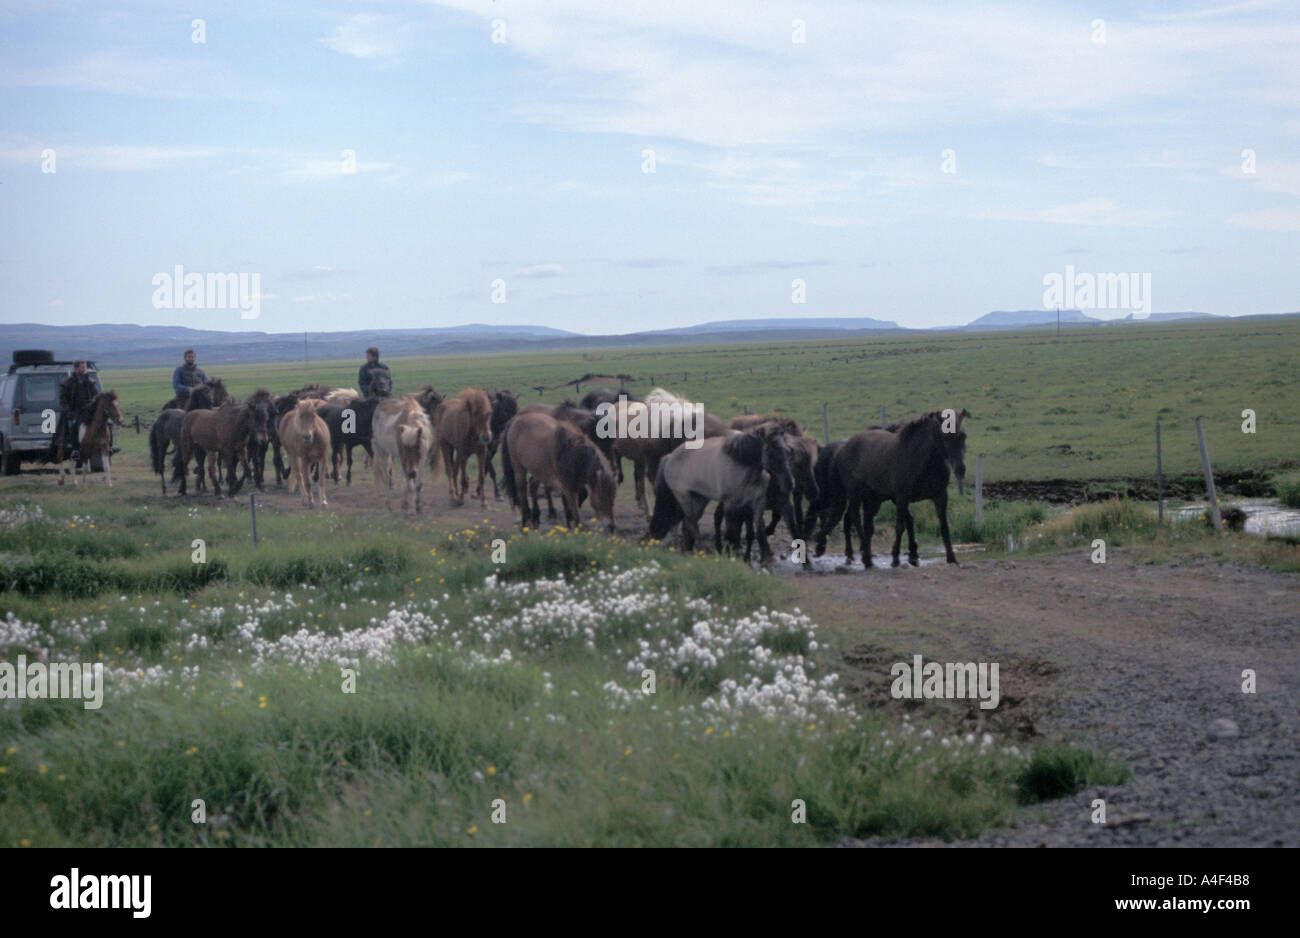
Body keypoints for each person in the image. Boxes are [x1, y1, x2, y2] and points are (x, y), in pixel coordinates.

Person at [58, 359, 98, 461]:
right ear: (76, 369)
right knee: (74, 425)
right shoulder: (68, 383)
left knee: (102, 422)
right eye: (82, 367)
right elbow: (63, 399)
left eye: (85, 367)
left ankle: (105, 445)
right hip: (74, 410)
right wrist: (68, 411)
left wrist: (93, 405)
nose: (85, 369)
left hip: (89, 410)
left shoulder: (90, 382)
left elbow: (96, 396)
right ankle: (75, 449)